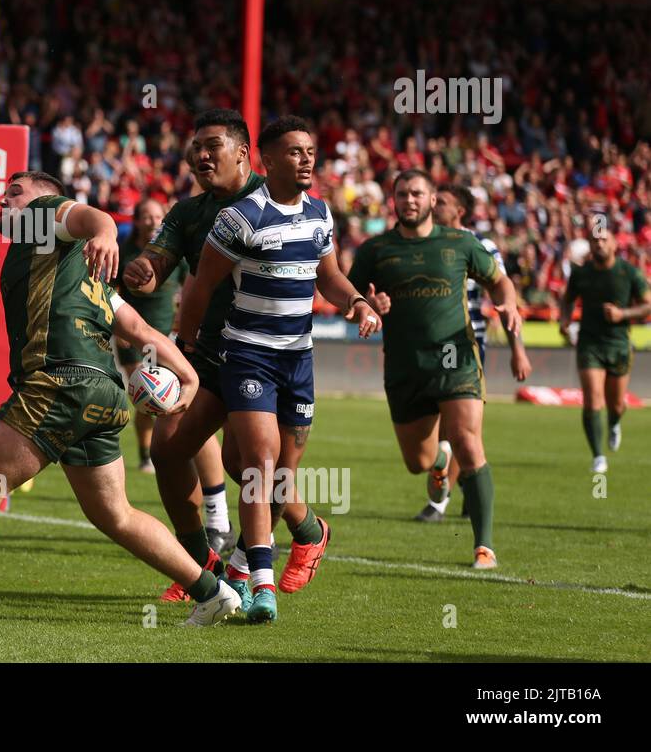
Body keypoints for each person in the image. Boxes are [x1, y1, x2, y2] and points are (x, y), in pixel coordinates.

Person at [0, 171, 242, 629]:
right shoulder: (75, 266)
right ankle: (212, 592)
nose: (5, 200)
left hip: (61, 381)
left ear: (44, 199)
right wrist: (189, 376)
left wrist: (104, 230)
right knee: (114, 514)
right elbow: (141, 332)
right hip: (105, 394)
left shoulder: (43, 216)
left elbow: (88, 217)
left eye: (15, 192)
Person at [178, 116, 381, 622]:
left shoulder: (319, 213)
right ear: (267, 160)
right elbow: (201, 286)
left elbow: (329, 276)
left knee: (274, 481)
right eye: (294, 152)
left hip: (299, 359)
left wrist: (357, 302)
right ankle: (261, 588)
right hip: (248, 354)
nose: (307, 159)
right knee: (259, 464)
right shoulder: (240, 218)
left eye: (310, 150)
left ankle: (253, 563)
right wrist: (183, 347)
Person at [349, 169, 525, 570]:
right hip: (405, 368)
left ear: (432, 200)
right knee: (418, 462)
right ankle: (438, 457)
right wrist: (368, 308)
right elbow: (349, 299)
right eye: (401, 194)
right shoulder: (376, 250)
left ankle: (484, 547)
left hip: (457, 359)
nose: (409, 200)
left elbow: (500, 282)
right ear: (393, 201)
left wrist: (509, 304)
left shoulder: (462, 243)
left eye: (417, 193)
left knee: (467, 439)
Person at [122, 109, 263, 601]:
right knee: (167, 449)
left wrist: (355, 300)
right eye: (195, 148)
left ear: (242, 152)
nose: (200, 156)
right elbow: (158, 261)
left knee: (250, 465)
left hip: (266, 352)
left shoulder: (279, 201)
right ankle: (201, 565)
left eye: (212, 146)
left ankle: (294, 538)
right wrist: (143, 268)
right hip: (202, 351)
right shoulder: (186, 213)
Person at [412, 183, 532, 521]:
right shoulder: (425, 241)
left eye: (443, 202)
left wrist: (517, 350)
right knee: (438, 423)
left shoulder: (482, 246)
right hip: (426, 345)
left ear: (460, 211)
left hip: (462, 343)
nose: (435, 206)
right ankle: (468, 477)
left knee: (455, 423)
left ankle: (439, 502)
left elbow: (505, 299)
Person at [559, 224, 649, 473]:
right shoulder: (581, 273)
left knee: (616, 404)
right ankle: (598, 456)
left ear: (614, 244)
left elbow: (647, 305)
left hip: (619, 343)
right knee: (592, 400)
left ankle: (614, 422)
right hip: (590, 343)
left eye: (604, 239)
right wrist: (565, 319)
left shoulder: (629, 272)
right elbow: (567, 299)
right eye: (594, 240)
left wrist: (623, 313)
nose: (599, 244)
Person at [116, 197, 179, 474]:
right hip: (132, 336)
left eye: (157, 217)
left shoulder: (174, 248)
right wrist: (116, 328)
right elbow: (112, 289)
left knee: (169, 397)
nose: (152, 222)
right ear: (137, 220)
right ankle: (146, 455)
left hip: (166, 334)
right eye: (147, 216)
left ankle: (166, 452)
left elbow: (188, 286)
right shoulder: (123, 250)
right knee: (145, 396)